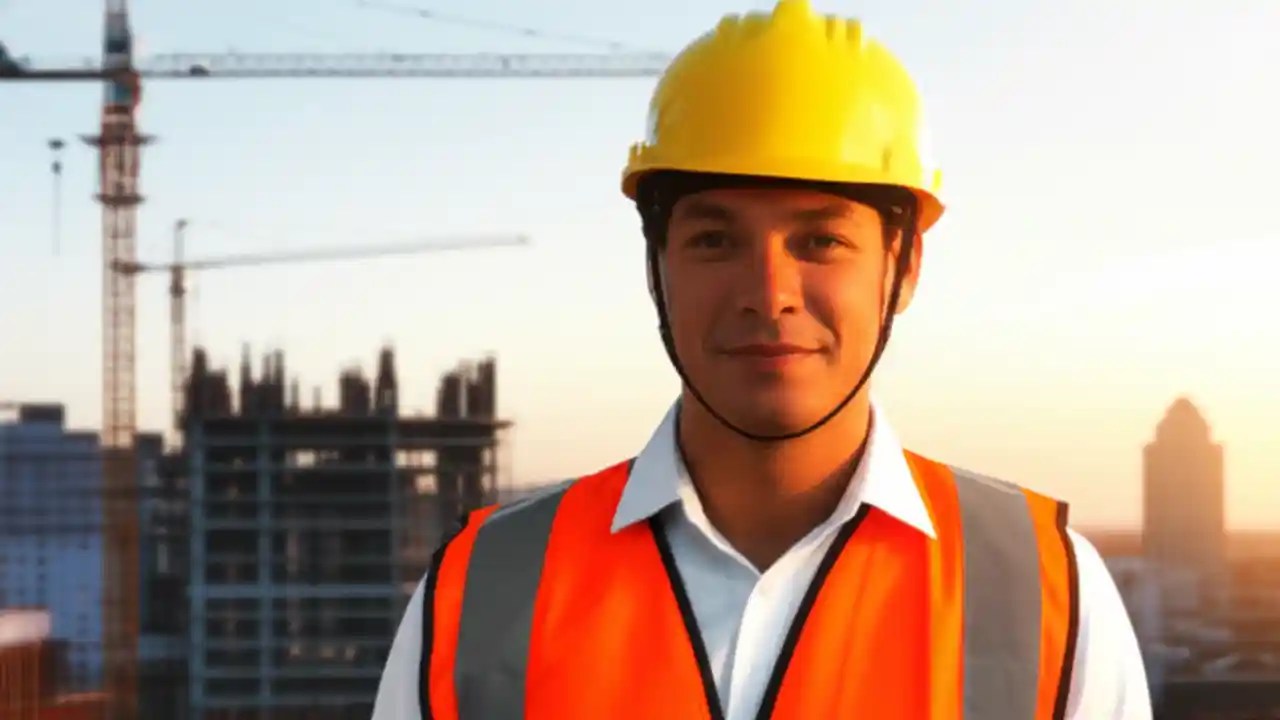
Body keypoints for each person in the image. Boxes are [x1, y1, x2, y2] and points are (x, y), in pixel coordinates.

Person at [371, 1, 1153, 717]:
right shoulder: (483, 589)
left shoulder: (1046, 594)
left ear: (904, 267)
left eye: (821, 241)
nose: (769, 292)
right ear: (656, 267)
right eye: (715, 241)